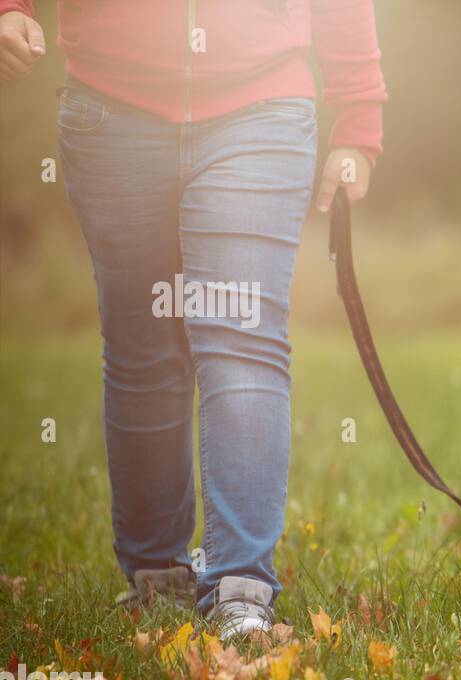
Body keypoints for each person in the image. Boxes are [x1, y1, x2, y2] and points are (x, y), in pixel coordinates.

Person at [0, 0, 386, 638]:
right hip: (112, 107)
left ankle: (241, 589)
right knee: (142, 349)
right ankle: (158, 579)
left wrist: (359, 117)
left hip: (260, 107)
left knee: (241, 337)